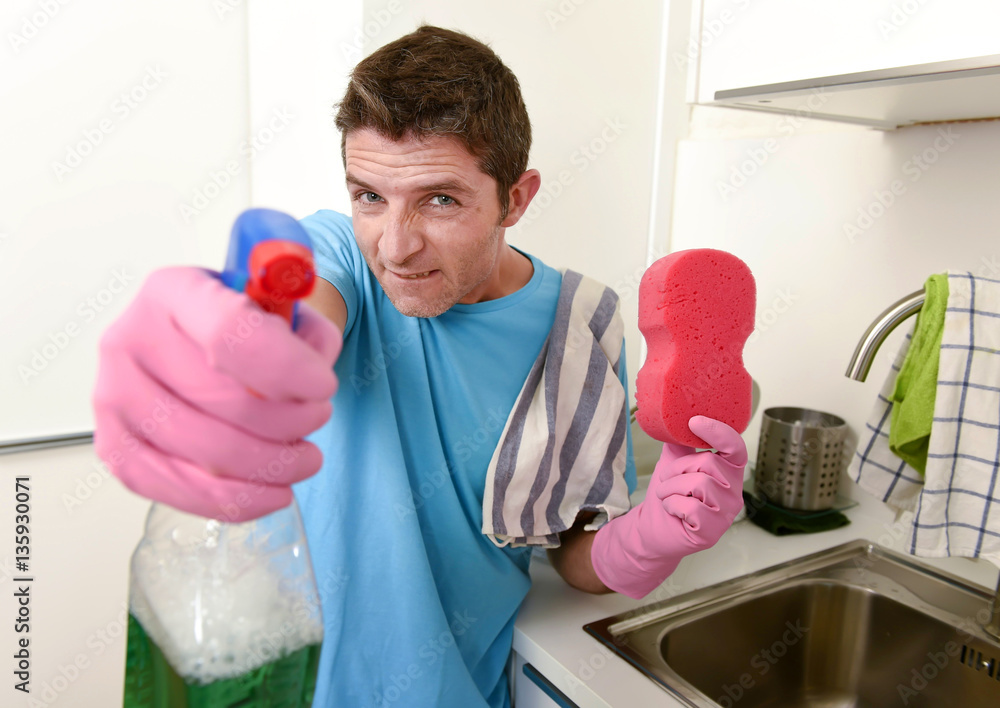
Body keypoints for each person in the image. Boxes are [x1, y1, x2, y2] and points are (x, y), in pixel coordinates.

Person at [93, 25, 747, 707]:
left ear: (516, 198)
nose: (395, 247)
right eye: (370, 197)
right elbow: (292, 324)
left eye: (441, 200)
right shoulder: (339, 255)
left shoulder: (581, 326)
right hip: (280, 689)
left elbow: (573, 550)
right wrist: (234, 351)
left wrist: (652, 538)